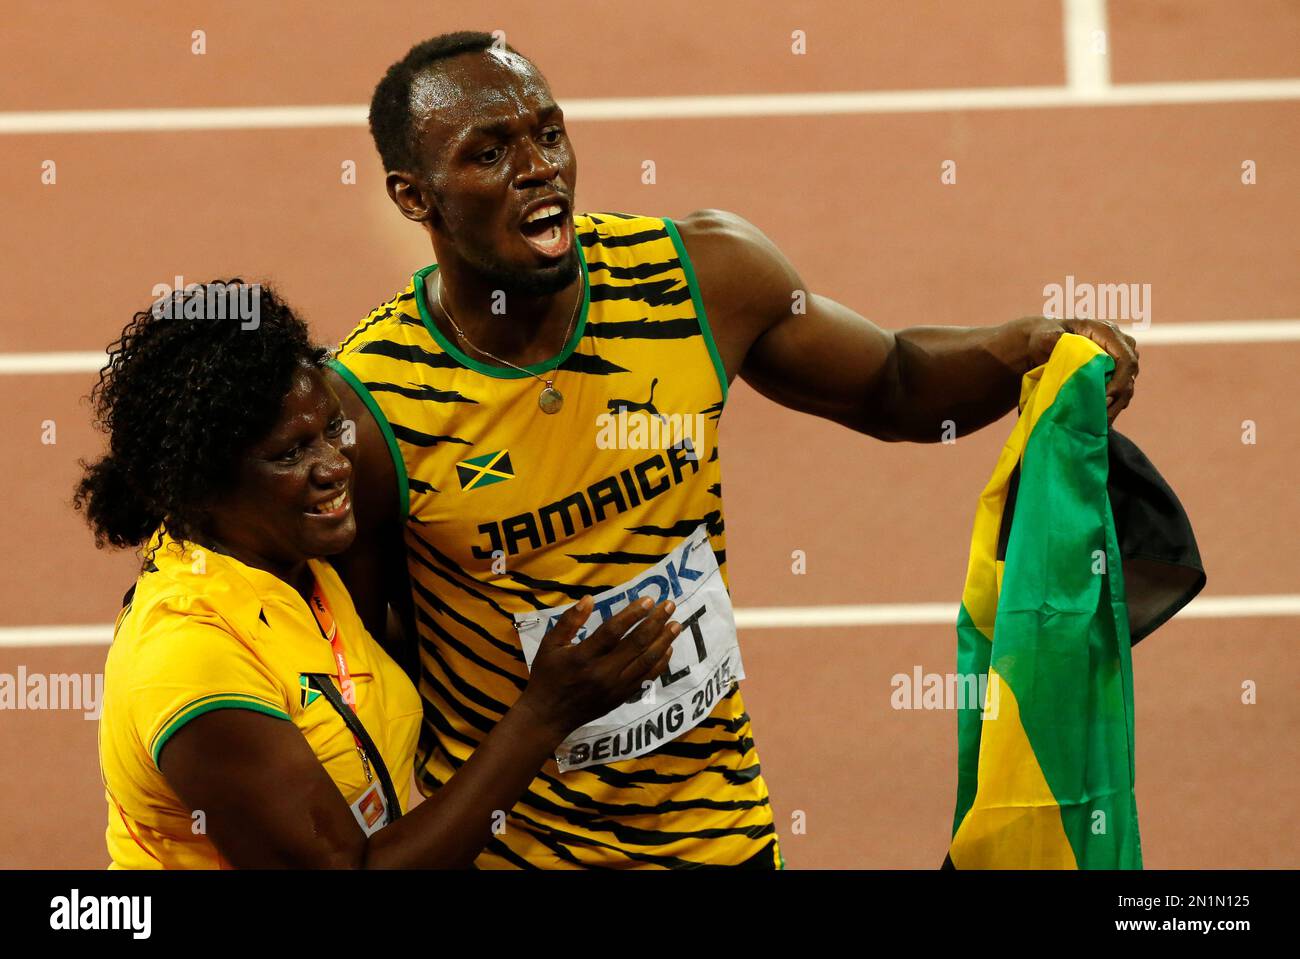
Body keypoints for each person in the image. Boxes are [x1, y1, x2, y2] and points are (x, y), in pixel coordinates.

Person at [326, 32, 1141, 869]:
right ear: (413, 196)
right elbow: (362, 657)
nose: (539, 168)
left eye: (549, 132)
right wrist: (536, 714)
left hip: (722, 834)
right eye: (489, 152)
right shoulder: (369, 410)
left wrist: (1038, 346)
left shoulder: (699, 277)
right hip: (524, 855)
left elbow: (892, 381)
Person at [78, 280, 679, 868]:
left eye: (333, 428)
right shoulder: (193, 656)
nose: (334, 465)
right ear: (200, 483)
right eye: (290, 454)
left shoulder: (300, 564)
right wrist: (545, 713)